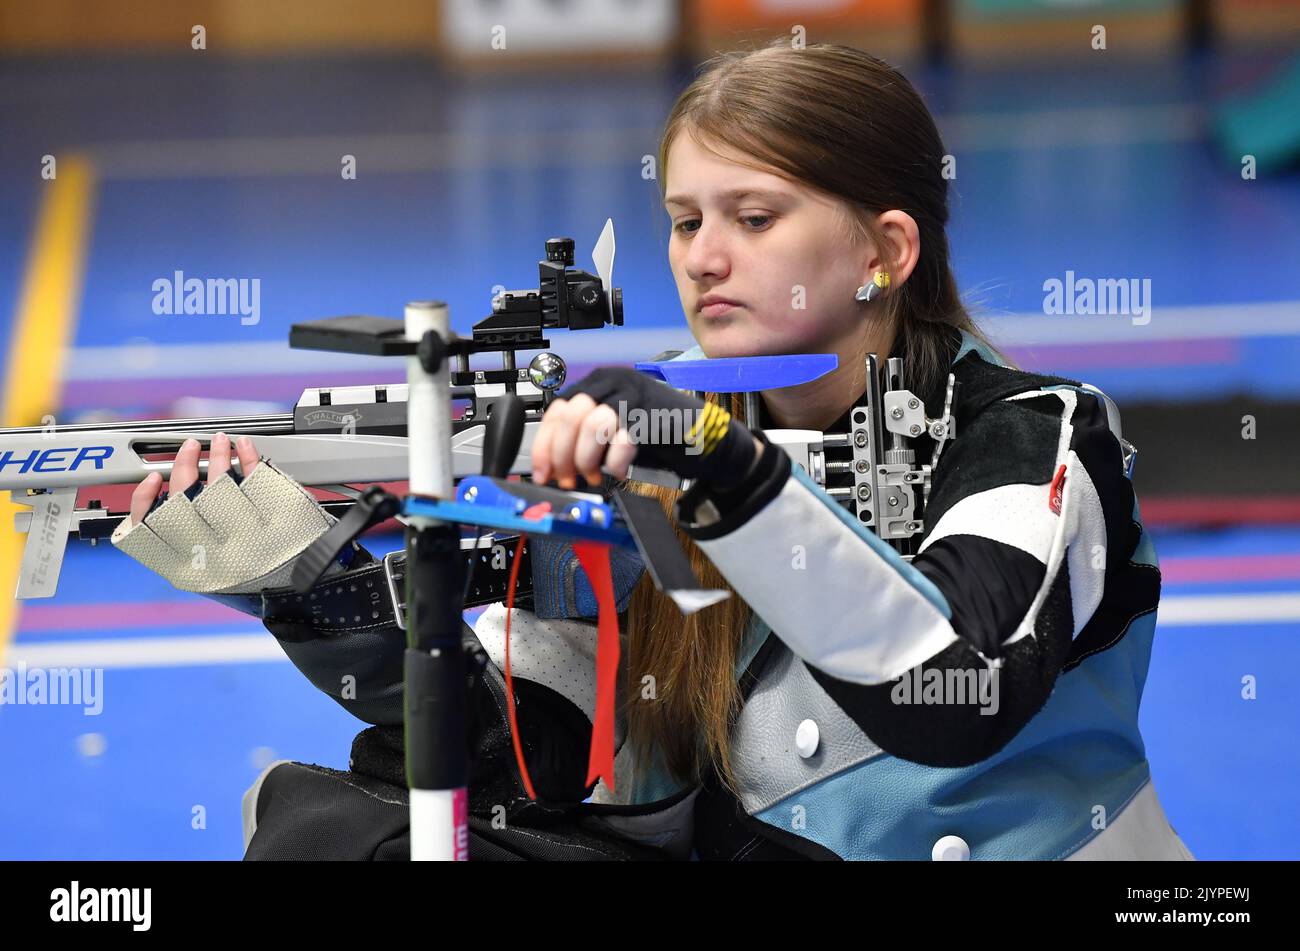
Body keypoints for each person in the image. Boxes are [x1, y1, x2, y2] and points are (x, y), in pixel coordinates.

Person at [114, 41, 1192, 860]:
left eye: (754, 217)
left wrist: (728, 470)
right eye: (684, 221)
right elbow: (527, 738)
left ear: (882, 250)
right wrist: (317, 590)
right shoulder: (661, 426)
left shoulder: (1032, 433)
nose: (705, 259)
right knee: (345, 829)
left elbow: (956, 693)